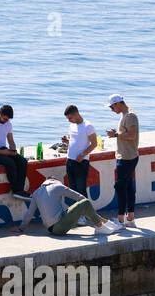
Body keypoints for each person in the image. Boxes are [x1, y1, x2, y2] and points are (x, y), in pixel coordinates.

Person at [15, 177, 117, 236]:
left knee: (80, 207)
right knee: (85, 202)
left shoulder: (36, 192)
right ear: (55, 181)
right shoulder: (57, 186)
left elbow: (29, 214)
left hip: (51, 230)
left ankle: (103, 222)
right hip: (60, 227)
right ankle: (100, 226)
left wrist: (21, 228)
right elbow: (81, 198)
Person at [0, 105, 30, 198]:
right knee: (10, 162)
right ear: (0, 114)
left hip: (3, 149)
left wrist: (13, 149)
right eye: (4, 119)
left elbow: (11, 141)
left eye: (8, 120)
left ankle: (19, 190)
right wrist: (5, 153)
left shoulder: (8, 124)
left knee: (22, 161)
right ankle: (16, 190)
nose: (6, 121)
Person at [104, 95, 139, 225]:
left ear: (118, 104)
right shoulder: (125, 116)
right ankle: (130, 218)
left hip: (126, 157)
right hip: (127, 156)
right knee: (128, 186)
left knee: (120, 187)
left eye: (112, 107)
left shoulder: (130, 116)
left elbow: (132, 135)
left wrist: (116, 134)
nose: (111, 110)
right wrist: (116, 134)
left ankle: (120, 219)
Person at [60, 105, 97, 197]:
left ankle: (86, 211)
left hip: (81, 161)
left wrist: (82, 155)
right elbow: (75, 141)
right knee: (73, 189)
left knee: (81, 189)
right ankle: (77, 210)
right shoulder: (72, 125)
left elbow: (94, 144)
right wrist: (67, 141)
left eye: (70, 118)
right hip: (70, 160)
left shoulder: (88, 126)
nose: (69, 120)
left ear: (76, 114)